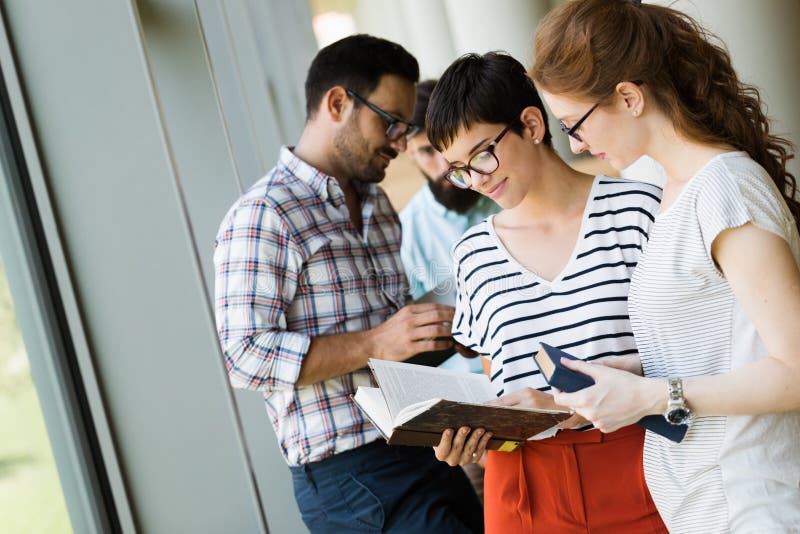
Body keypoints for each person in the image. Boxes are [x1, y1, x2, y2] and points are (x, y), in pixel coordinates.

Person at [530, 1, 800, 532]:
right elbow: (718, 346)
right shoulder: (672, 191)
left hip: (748, 501)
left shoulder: (725, 187)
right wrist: (623, 379)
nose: (577, 145)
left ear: (629, 97)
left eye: (574, 125)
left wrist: (655, 396)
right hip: (703, 500)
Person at [213, 34, 483, 533]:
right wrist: (379, 341)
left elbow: (389, 349)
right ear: (338, 103)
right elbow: (244, 356)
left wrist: (451, 330)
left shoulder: (378, 207)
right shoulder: (264, 215)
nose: (401, 143)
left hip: (419, 445)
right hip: (350, 483)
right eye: (393, 124)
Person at [426, 51, 667, 533]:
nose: (476, 179)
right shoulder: (472, 254)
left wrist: (564, 406)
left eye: (481, 154)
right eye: (458, 169)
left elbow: (692, 356)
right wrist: (470, 432)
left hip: (641, 464)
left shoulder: (640, 210)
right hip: (523, 486)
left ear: (532, 124)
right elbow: (500, 385)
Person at [400, 79, 499, 503]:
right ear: (408, 153)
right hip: (469, 418)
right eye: (426, 151)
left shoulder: (508, 192)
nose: (444, 164)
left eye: (447, 146)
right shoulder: (406, 233)